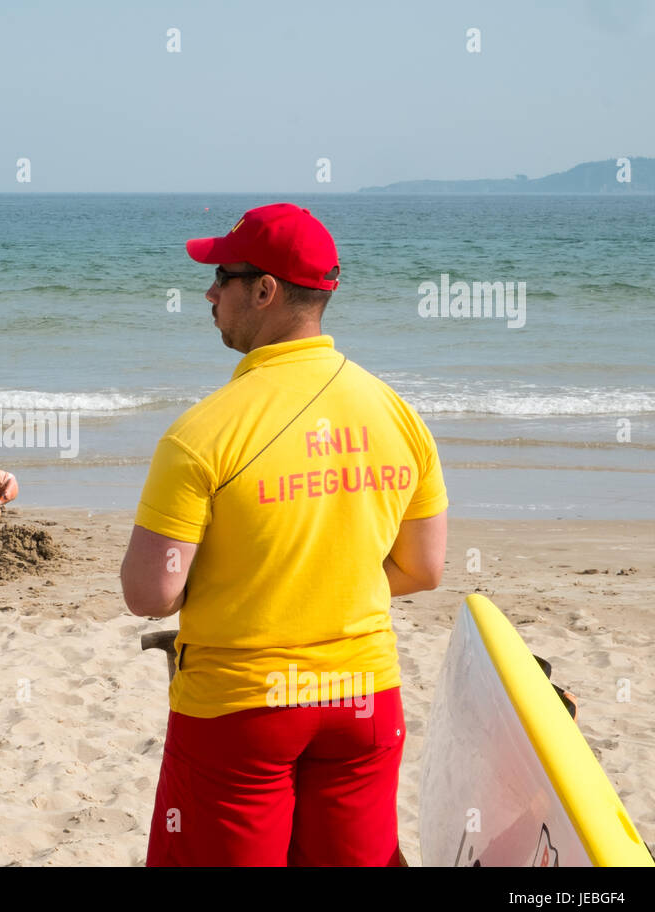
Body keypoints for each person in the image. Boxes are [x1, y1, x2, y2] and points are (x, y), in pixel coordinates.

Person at [120, 203, 448, 867]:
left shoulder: (202, 433)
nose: (208, 293)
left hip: (243, 711)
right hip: (364, 699)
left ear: (264, 290)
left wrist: (257, 584)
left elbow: (151, 594)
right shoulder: (397, 413)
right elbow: (424, 569)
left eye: (221, 277)